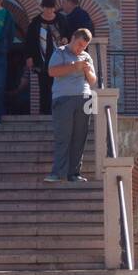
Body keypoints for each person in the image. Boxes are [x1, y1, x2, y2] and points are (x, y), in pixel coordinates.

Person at [45, 28, 97, 182]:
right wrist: (74, 67)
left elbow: (93, 81)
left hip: (85, 98)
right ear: (73, 38)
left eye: (84, 46)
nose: (80, 48)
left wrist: (87, 70)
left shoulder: (86, 56)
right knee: (63, 136)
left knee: (80, 137)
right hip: (63, 99)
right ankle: (57, 173)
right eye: (79, 44)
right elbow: (52, 72)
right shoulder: (59, 52)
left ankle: (74, 173)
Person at [23, 0, 64, 116]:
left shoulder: (61, 19)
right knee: (44, 87)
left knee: (57, 86)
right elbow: (29, 41)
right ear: (42, 7)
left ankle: (57, 112)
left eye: (51, 8)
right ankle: (45, 113)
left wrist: (66, 39)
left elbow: (67, 34)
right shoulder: (36, 22)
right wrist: (29, 57)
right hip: (41, 61)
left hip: (58, 60)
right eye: (46, 7)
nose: (49, 10)